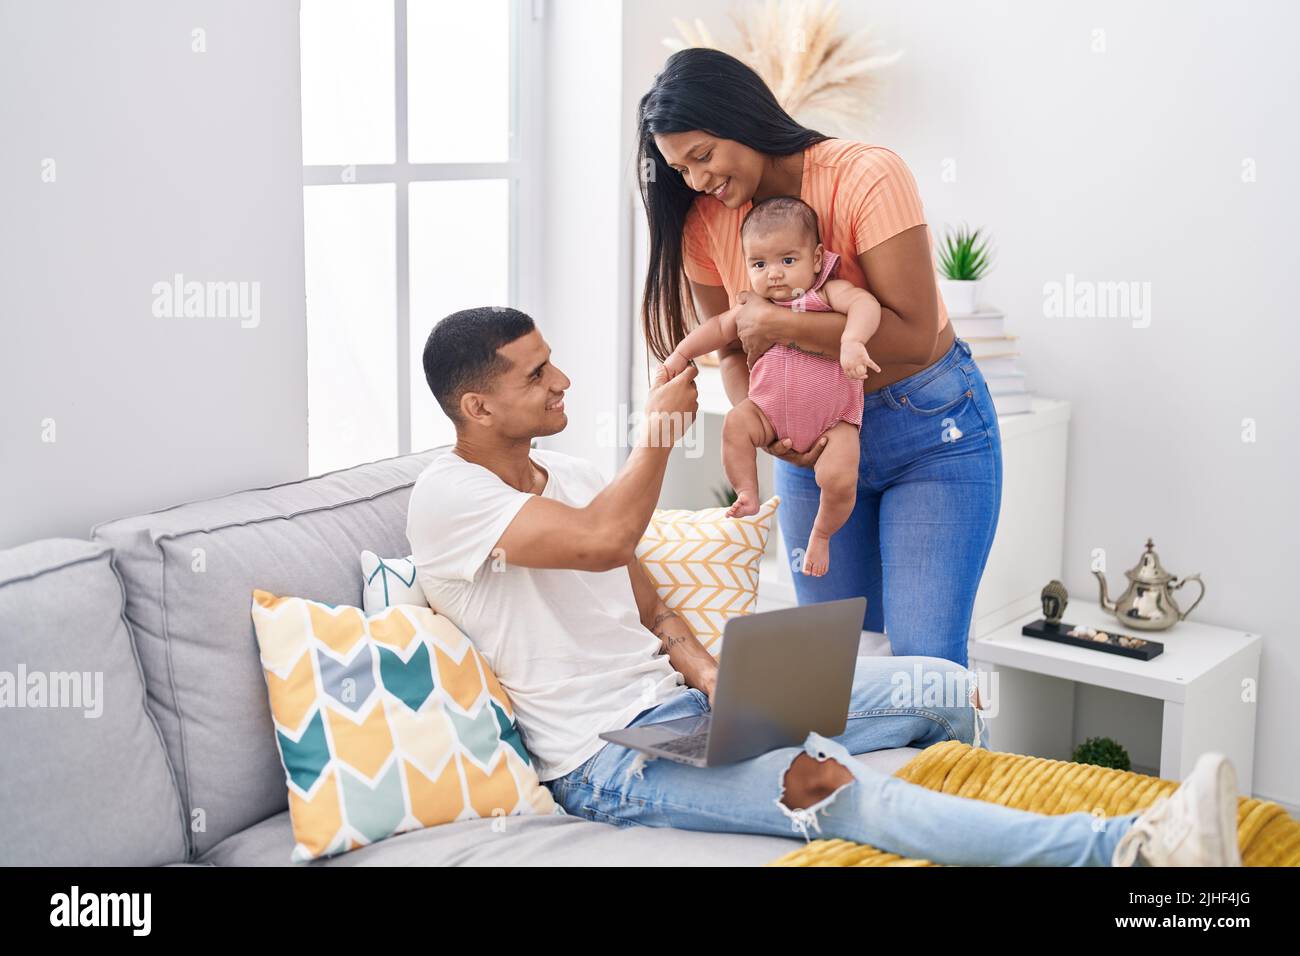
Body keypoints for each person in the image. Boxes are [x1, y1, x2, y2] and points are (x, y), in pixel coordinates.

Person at [406, 306, 1242, 867]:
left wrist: (704, 670)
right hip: (608, 761)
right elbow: (602, 543)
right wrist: (660, 431)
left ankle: (968, 818)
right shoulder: (450, 500)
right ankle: (1128, 847)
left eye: (554, 364)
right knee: (837, 789)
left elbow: (650, 599)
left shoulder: (572, 470)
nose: (563, 383)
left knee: (947, 683)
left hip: (688, 710)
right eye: (536, 376)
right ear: (477, 407)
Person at [637, 47, 1001, 667]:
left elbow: (911, 336)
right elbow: (730, 349)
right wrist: (764, 420)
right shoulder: (705, 223)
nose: (696, 181)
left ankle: (953, 767)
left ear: (742, 116)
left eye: (702, 157)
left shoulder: (866, 176)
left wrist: (777, 321)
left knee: (924, 666)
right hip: (811, 444)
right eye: (680, 169)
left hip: (928, 433)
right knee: (835, 662)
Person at [660, 196, 882, 577]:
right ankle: (747, 491)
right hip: (768, 414)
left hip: (835, 422)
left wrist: (852, 341)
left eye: (788, 261)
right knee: (736, 424)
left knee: (840, 478)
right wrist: (681, 354)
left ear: (815, 259)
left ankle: (822, 533)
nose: (774, 274)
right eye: (760, 264)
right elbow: (716, 330)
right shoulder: (751, 305)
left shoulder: (826, 294)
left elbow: (866, 304)